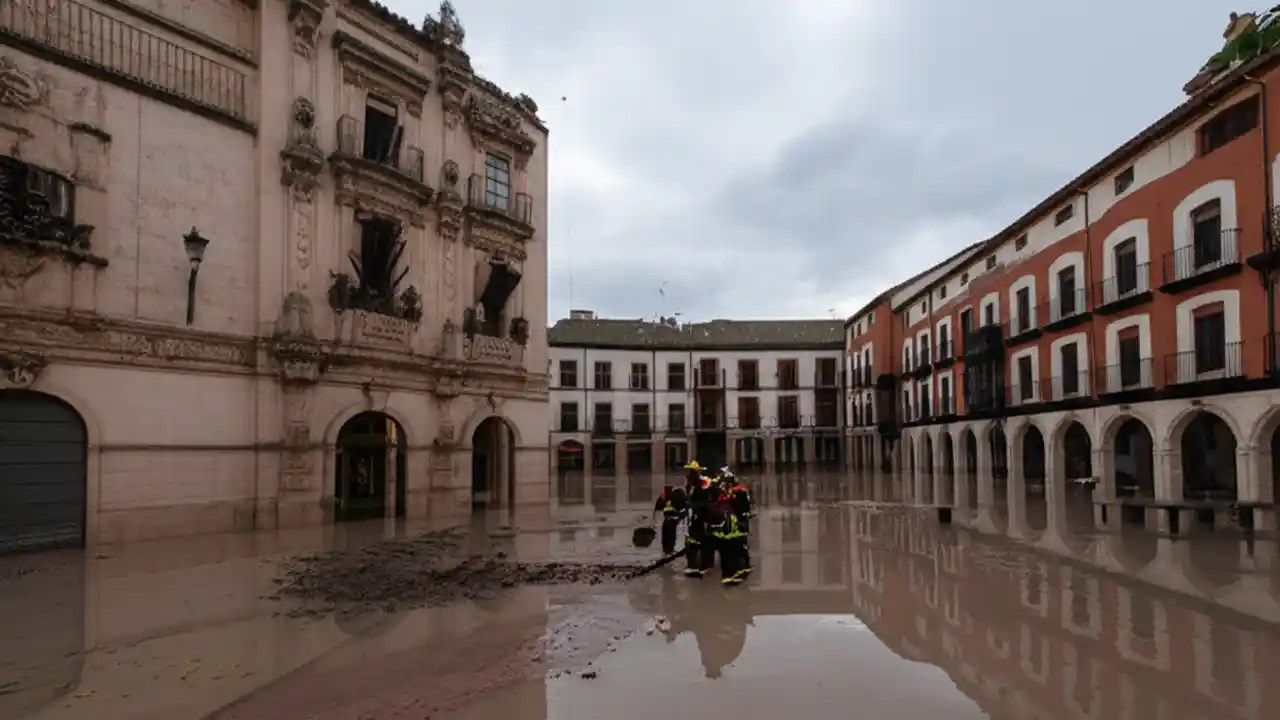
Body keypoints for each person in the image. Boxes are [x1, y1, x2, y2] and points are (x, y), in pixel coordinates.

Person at [683, 460, 715, 577]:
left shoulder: (704, 483)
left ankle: (706, 565)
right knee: (691, 539)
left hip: (704, 514)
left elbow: (707, 499)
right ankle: (693, 564)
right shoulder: (690, 484)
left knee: (705, 540)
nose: (688, 476)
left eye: (690, 473)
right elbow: (689, 499)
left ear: (695, 473)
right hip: (693, 515)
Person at [722, 471, 755, 579]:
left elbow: (731, 504)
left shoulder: (736, 492)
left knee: (738, 544)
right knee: (740, 544)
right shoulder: (741, 490)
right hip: (740, 520)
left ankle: (741, 567)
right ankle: (744, 565)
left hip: (739, 521)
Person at [652, 483, 688, 555]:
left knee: (668, 535)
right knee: (670, 534)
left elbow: (658, 507)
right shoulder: (675, 496)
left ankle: (668, 550)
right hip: (673, 519)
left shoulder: (669, 497)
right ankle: (669, 549)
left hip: (670, 519)